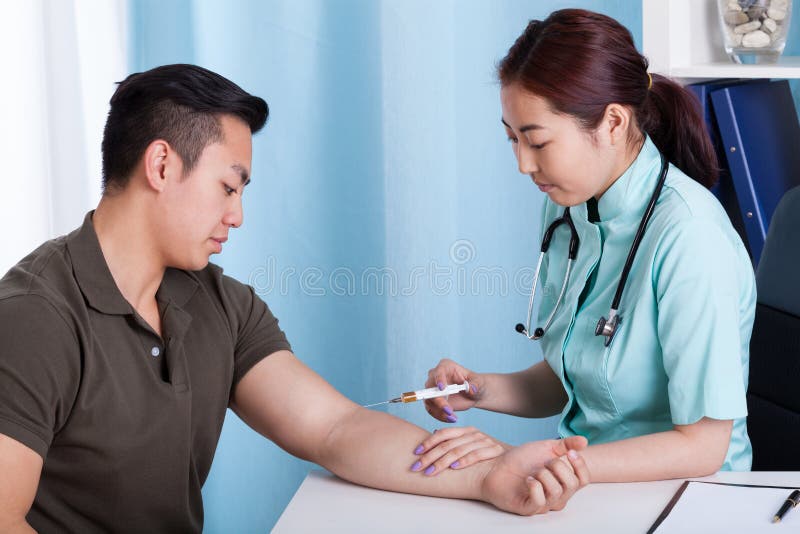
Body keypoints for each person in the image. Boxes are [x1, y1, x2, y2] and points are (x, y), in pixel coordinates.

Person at [0, 64, 592, 533]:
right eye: (228, 187)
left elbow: (334, 429)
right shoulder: (35, 317)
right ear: (160, 164)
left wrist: (491, 475)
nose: (237, 215)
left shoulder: (219, 305)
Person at [410, 8, 756, 505]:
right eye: (512, 138)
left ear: (613, 122)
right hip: (591, 488)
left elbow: (704, 446)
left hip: (690, 501)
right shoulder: (570, 207)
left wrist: (542, 462)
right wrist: (481, 389)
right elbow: (575, 380)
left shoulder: (690, 239)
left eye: (536, 140)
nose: (523, 164)